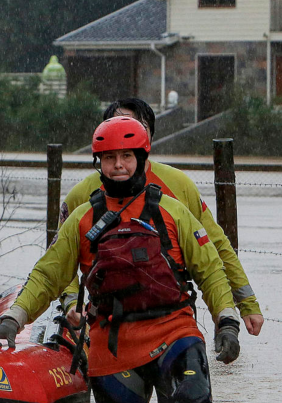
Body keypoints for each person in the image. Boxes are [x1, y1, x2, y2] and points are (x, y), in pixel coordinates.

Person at [0, 117, 241, 403]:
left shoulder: (173, 212)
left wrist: (227, 321)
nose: (118, 165)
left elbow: (211, 270)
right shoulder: (81, 219)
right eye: (109, 158)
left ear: (141, 159)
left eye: (127, 157)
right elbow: (47, 275)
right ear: (99, 163)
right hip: (113, 344)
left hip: (174, 332)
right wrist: (12, 320)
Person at [60, 98, 264, 337]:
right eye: (118, 125)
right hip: (105, 322)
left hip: (171, 319)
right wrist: (72, 303)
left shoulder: (180, 185)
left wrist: (245, 304)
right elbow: (60, 260)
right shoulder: (81, 195)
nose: (127, 132)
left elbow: (216, 248)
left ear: (150, 139)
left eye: (137, 127)